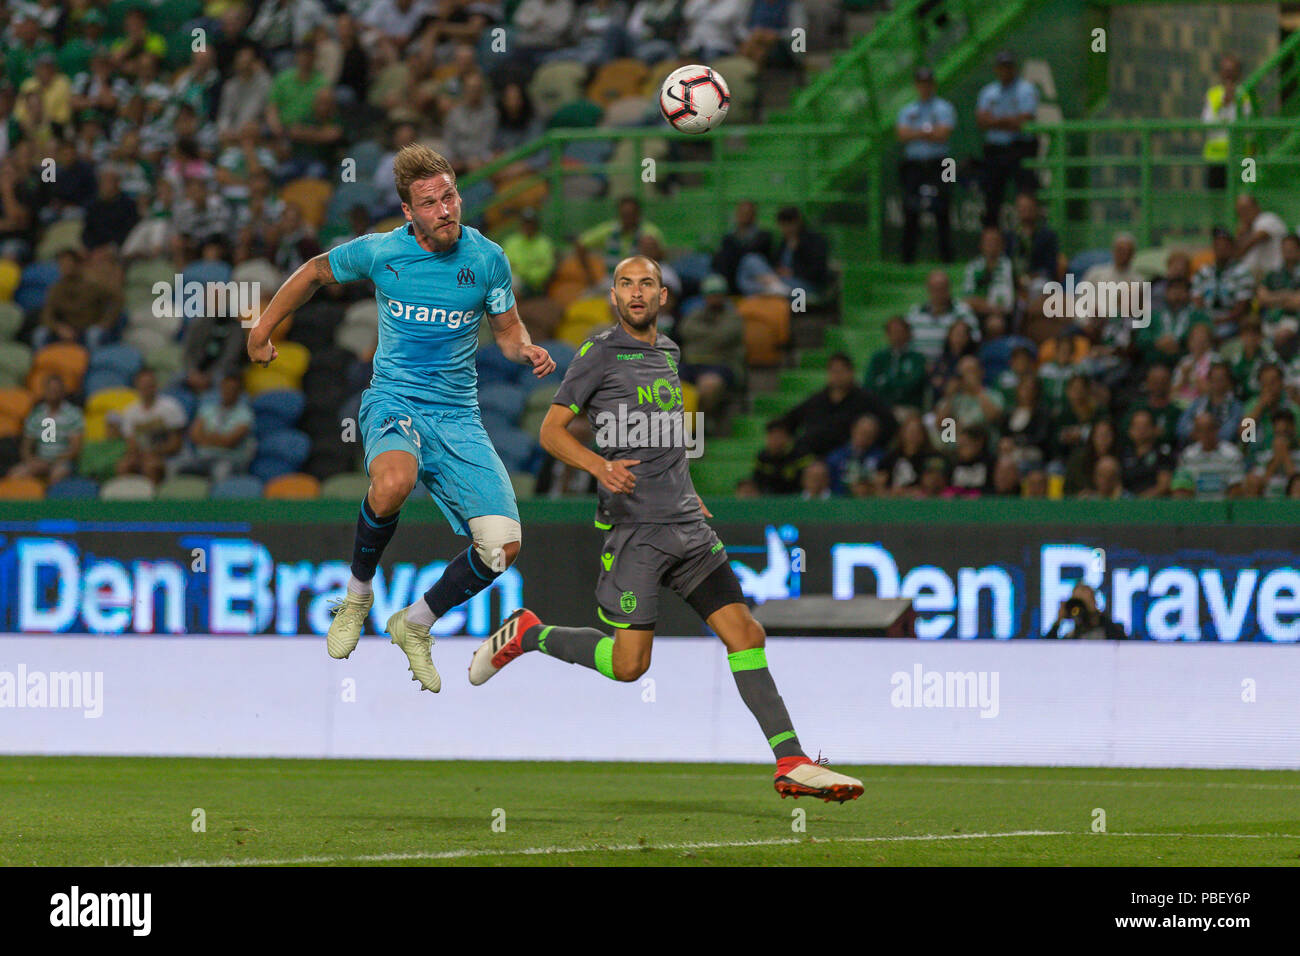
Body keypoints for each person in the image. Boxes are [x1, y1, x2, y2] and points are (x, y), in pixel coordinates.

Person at [468, 254, 864, 803]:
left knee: (746, 634)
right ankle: (531, 634)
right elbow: (552, 432)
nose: (636, 292)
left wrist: (686, 485)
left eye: (646, 284)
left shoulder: (671, 352)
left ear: (662, 298)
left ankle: (791, 759)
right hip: (637, 534)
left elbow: (661, 435)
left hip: (688, 528)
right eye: (626, 284)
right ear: (613, 297)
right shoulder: (599, 353)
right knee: (630, 666)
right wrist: (598, 466)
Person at [246, 144, 556, 693]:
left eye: (451, 196)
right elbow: (315, 272)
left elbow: (507, 331)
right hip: (396, 400)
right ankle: (358, 594)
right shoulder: (381, 252)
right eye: (431, 202)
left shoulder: (487, 259)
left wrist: (525, 348)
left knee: (503, 547)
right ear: (409, 212)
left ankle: (414, 623)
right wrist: (263, 328)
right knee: (393, 483)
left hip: (458, 417)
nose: (446, 210)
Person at [770, 352, 896, 459]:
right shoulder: (817, 399)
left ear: (851, 372)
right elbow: (789, 420)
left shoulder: (866, 399)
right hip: (811, 458)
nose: (837, 376)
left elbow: (890, 425)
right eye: (834, 371)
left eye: (842, 371)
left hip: (846, 459)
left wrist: (869, 445)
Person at [896, 66, 956, 263]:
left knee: (943, 209)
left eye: (928, 83)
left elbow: (943, 135)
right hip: (914, 164)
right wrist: (928, 131)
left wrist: (918, 133)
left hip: (941, 164)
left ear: (933, 85)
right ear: (916, 85)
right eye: (921, 83)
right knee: (911, 210)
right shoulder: (908, 109)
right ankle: (908, 259)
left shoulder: (944, 108)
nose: (924, 87)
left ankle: (946, 257)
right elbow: (903, 135)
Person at [975, 50, 1038, 228]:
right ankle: (991, 241)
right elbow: (981, 121)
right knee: (992, 197)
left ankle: (1028, 236)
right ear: (996, 69)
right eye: (1002, 67)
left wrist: (995, 121)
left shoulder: (1026, 89)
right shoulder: (988, 92)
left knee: (1026, 194)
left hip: (1020, 147)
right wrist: (1009, 120)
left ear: (1014, 68)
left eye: (1008, 67)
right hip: (995, 149)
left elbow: (1024, 121)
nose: (1005, 71)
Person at [675, 273, 744, 419]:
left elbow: (722, 337)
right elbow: (685, 330)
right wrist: (710, 334)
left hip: (721, 365)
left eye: (718, 294)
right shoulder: (695, 314)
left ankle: (701, 426)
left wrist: (700, 337)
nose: (714, 298)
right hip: (691, 364)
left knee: (708, 386)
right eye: (711, 295)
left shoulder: (734, 317)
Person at [169, 372, 256, 482]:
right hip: (202, 457)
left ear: (239, 392)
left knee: (221, 471)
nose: (228, 391)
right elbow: (194, 435)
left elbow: (229, 442)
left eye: (232, 388)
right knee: (175, 465)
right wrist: (219, 438)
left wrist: (206, 437)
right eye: (226, 388)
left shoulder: (245, 414)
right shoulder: (208, 409)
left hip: (228, 459)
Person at [111, 369, 187, 485]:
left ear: (156, 386)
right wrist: (138, 456)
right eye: (143, 386)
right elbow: (131, 444)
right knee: (124, 466)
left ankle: (152, 499)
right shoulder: (130, 412)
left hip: (167, 455)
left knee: (151, 466)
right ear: (137, 388)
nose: (147, 389)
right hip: (142, 455)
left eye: (150, 386)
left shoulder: (171, 407)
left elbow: (176, 444)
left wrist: (154, 452)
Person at [8, 374, 83, 485]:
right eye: (50, 390)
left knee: (57, 476)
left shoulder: (73, 414)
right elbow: (26, 446)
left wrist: (52, 461)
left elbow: (75, 448)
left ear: (63, 392)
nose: (53, 393)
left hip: (62, 461)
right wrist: (31, 460)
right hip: (40, 460)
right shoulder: (36, 414)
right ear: (44, 391)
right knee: (15, 475)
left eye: (56, 390)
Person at [1201, 54, 1252, 191]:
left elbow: (1248, 124)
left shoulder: (1248, 94)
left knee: (1247, 196)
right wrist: (1225, 106)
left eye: (1232, 70)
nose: (1228, 74)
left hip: (1246, 159)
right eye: (1225, 70)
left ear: (1239, 73)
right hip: (1218, 160)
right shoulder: (1212, 94)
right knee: (1218, 202)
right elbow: (1208, 124)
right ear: (1220, 73)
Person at [906, 269, 980, 364]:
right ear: (928, 289)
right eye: (935, 289)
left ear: (949, 288)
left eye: (942, 288)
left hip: (951, 365)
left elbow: (975, 339)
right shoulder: (915, 312)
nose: (939, 293)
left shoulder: (963, 311)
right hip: (920, 365)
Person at [1192, 226, 1253, 340]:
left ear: (1232, 248)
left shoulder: (1242, 272)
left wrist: (1222, 320)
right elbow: (1197, 300)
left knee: (1220, 333)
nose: (1221, 249)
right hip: (1206, 319)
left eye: (1225, 246)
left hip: (1230, 320)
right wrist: (1206, 320)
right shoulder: (1203, 271)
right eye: (1218, 246)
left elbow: (1242, 306)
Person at [1176, 411, 1245, 499]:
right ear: (1195, 433)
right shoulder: (1188, 456)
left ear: (1217, 430)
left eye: (1209, 429)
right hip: (1196, 508)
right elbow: (1182, 488)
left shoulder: (1232, 454)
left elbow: (1236, 489)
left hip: (1224, 508)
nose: (1205, 434)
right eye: (1200, 430)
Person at [866, 315, 927, 411]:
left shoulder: (917, 359)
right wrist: (899, 383)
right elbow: (869, 385)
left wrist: (886, 382)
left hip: (907, 407)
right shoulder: (878, 358)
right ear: (887, 334)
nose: (897, 336)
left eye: (900, 332)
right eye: (893, 332)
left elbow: (913, 385)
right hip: (880, 406)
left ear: (908, 334)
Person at [712, 200, 773, 294]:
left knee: (750, 260)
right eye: (742, 213)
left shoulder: (763, 236)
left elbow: (755, 257)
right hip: (731, 279)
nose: (744, 216)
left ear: (754, 215)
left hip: (753, 280)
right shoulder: (728, 238)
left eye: (748, 213)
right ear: (736, 214)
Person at [963, 225, 1015, 325]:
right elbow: (967, 299)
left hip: (1001, 315)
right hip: (976, 312)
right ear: (981, 245)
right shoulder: (973, 267)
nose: (992, 245)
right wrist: (988, 307)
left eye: (995, 241)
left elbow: (1006, 303)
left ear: (1002, 245)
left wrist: (982, 304)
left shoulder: (1008, 266)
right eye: (988, 242)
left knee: (995, 324)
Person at [1233, 194, 1287, 279]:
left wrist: (1242, 233)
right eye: (1239, 211)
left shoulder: (1267, 218)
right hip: (1254, 275)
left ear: (1256, 207)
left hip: (1274, 275)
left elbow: (1255, 240)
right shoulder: (1248, 227)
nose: (1243, 214)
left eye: (1246, 209)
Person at [1046, 583, 1127, 639]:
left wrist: (1094, 612)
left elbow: (1124, 645)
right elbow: (1045, 650)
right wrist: (1059, 620)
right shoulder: (1070, 636)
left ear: (1094, 602)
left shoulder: (1108, 630)